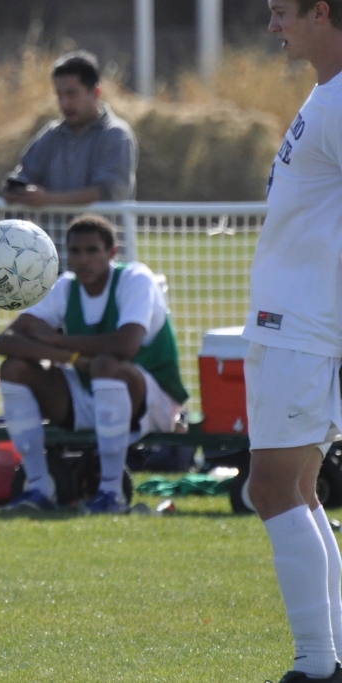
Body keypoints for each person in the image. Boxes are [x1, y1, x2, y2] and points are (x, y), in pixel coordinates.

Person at [239, 1, 342, 681]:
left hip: (301, 324)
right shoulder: (326, 92)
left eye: (282, 12)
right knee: (297, 489)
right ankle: (327, 656)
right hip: (299, 320)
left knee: (273, 485)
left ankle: (314, 664)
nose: (273, 27)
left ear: (322, 11)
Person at [0, 215, 188, 514]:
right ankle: (38, 488)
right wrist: (69, 359)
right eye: (75, 251)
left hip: (154, 401)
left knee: (106, 365)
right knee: (13, 369)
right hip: (91, 389)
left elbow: (125, 346)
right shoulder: (66, 287)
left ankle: (111, 493)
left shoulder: (136, 279)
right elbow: (4, 341)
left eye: (92, 250)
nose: (82, 259)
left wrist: (56, 342)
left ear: (112, 253)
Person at [0, 50, 137, 207]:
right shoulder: (50, 135)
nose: (64, 103)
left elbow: (108, 192)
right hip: (53, 232)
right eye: (59, 95)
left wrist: (47, 200)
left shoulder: (117, 134)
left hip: (105, 232)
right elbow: (22, 176)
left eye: (72, 94)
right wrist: (13, 191)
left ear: (95, 92)